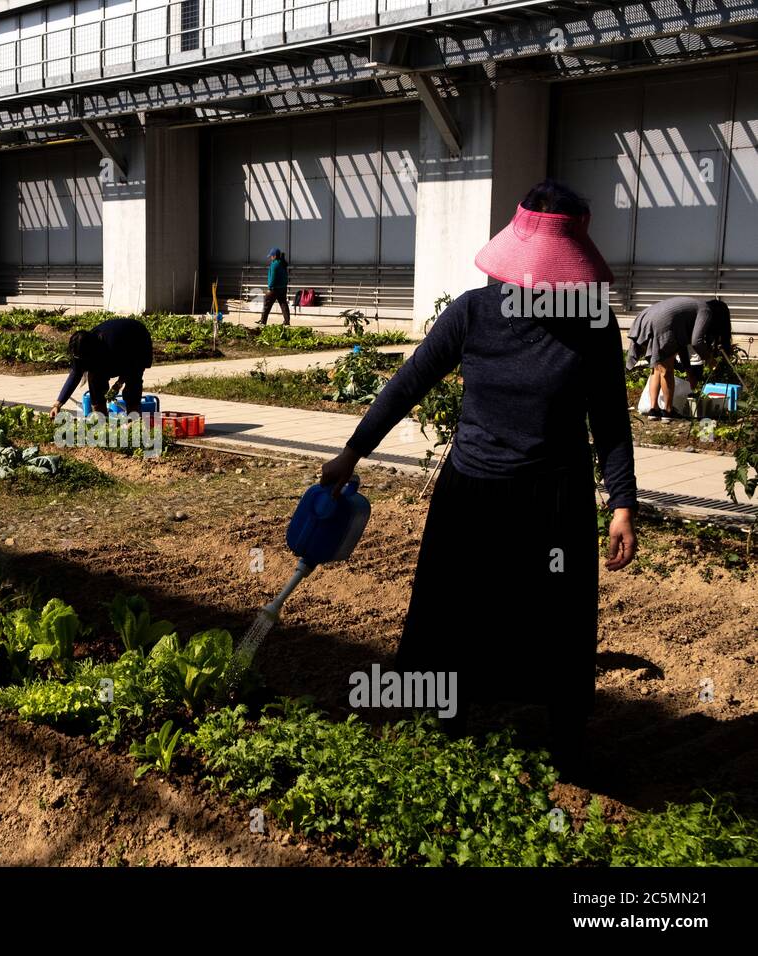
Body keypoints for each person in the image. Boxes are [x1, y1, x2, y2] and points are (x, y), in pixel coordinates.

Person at [317, 179, 637, 773]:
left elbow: (612, 420)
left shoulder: (594, 327)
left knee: (556, 621)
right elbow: (408, 383)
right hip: (472, 491)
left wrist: (622, 503)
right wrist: (351, 453)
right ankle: (447, 724)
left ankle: (565, 741)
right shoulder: (473, 313)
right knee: (455, 611)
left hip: (555, 500)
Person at [625, 296, 731, 418]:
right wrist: (709, 358)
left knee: (656, 367)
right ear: (719, 317)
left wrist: (689, 372)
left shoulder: (692, 310)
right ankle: (668, 411)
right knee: (666, 370)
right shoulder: (705, 311)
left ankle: (653, 409)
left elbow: (681, 346)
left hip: (645, 318)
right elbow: (697, 341)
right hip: (662, 323)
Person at [49, 316, 154, 418]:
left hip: (137, 341)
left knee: (133, 383)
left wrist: (118, 384)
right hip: (114, 347)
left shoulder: (111, 346)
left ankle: (134, 420)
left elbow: (132, 366)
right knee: (95, 379)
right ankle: (100, 419)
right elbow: (75, 375)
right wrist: (58, 404)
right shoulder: (80, 348)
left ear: (90, 352)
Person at [259, 248, 290, 326]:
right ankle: (287, 322)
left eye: (271, 256)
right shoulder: (283, 263)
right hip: (283, 288)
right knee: (283, 304)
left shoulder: (274, 264)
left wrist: (270, 287)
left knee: (267, 304)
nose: (270, 258)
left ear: (275, 256)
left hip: (274, 288)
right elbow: (286, 276)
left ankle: (263, 322)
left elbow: (272, 277)